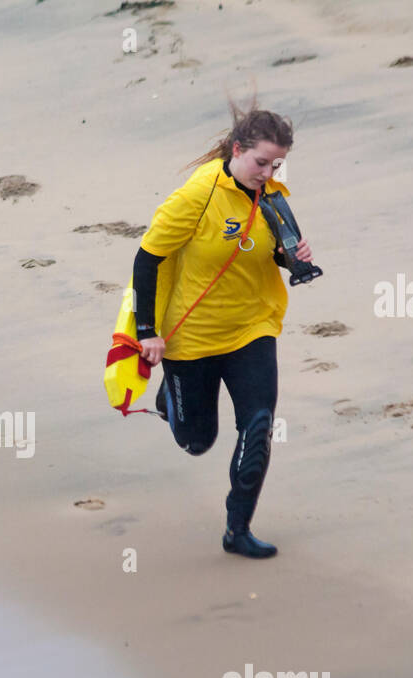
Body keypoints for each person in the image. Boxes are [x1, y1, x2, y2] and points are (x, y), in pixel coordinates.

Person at [133, 101, 312, 559]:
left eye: (277, 164)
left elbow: (265, 247)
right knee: (198, 441)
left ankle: (238, 529)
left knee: (258, 426)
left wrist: (292, 256)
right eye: (261, 162)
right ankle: (169, 400)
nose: (268, 172)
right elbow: (147, 258)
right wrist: (148, 331)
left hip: (252, 328)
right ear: (237, 149)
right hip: (191, 338)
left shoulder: (271, 195)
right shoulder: (197, 196)